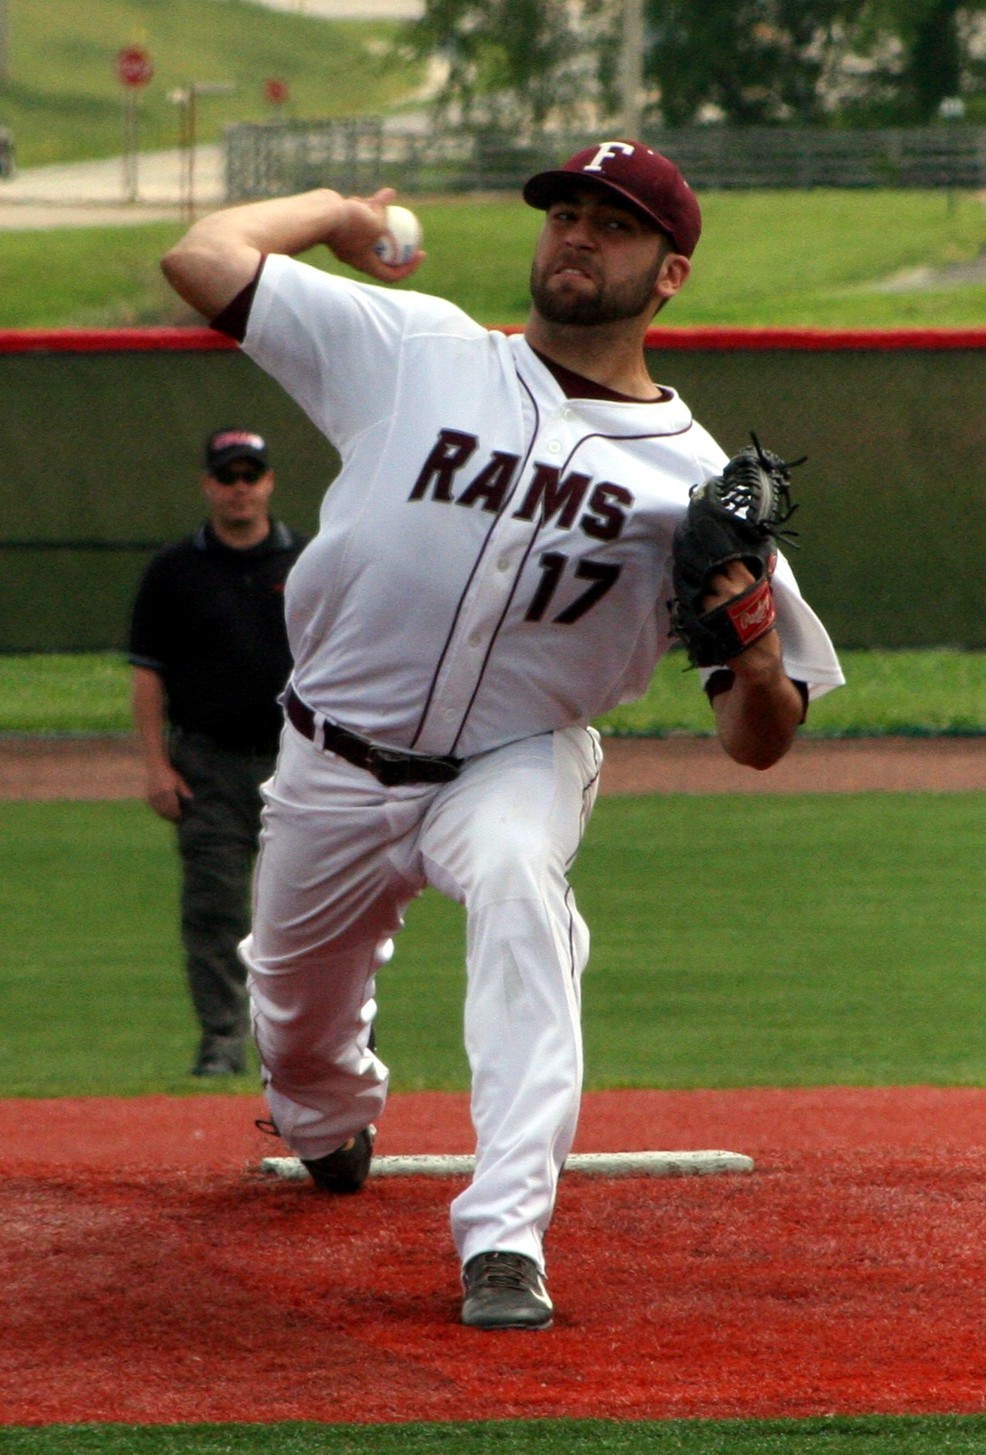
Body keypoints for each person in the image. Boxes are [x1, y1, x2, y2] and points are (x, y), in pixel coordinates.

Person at [160, 140, 844, 1328]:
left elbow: (758, 738)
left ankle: (505, 1237)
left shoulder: (691, 484)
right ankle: (331, 1120)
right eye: (565, 212)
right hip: (328, 756)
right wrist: (332, 210)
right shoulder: (417, 351)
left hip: (514, 757)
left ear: (669, 275)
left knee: (527, 895)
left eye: (614, 224)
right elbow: (200, 258)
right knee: (295, 1037)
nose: (577, 235)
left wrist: (744, 644)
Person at [129, 429, 307, 1077]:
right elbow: (148, 674)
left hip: (297, 762)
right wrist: (156, 764)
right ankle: (223, 1041)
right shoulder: (174, 571)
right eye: (226, 476)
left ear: (269, 482)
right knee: (214, 908)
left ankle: (316, 1046)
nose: (239, 488)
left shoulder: (306, 563)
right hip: (207, 762)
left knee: (313, 906)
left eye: (249, 474)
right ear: (208, 484)